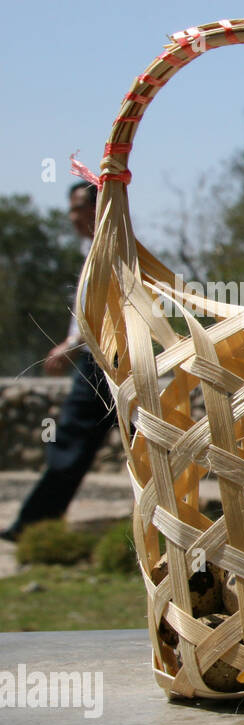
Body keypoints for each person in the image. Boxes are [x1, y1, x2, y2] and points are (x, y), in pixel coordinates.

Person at [1, 182, 116, 542]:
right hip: (102, 361)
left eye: (77, 208)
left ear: (98, 208)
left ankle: (33, 527)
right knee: (76, 444)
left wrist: (72, 344)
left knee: (70, 442)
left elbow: (104, 309)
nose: (71, 217)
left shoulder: (109, 250)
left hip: (102, 363)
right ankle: (36, 526)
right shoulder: (96, 248)